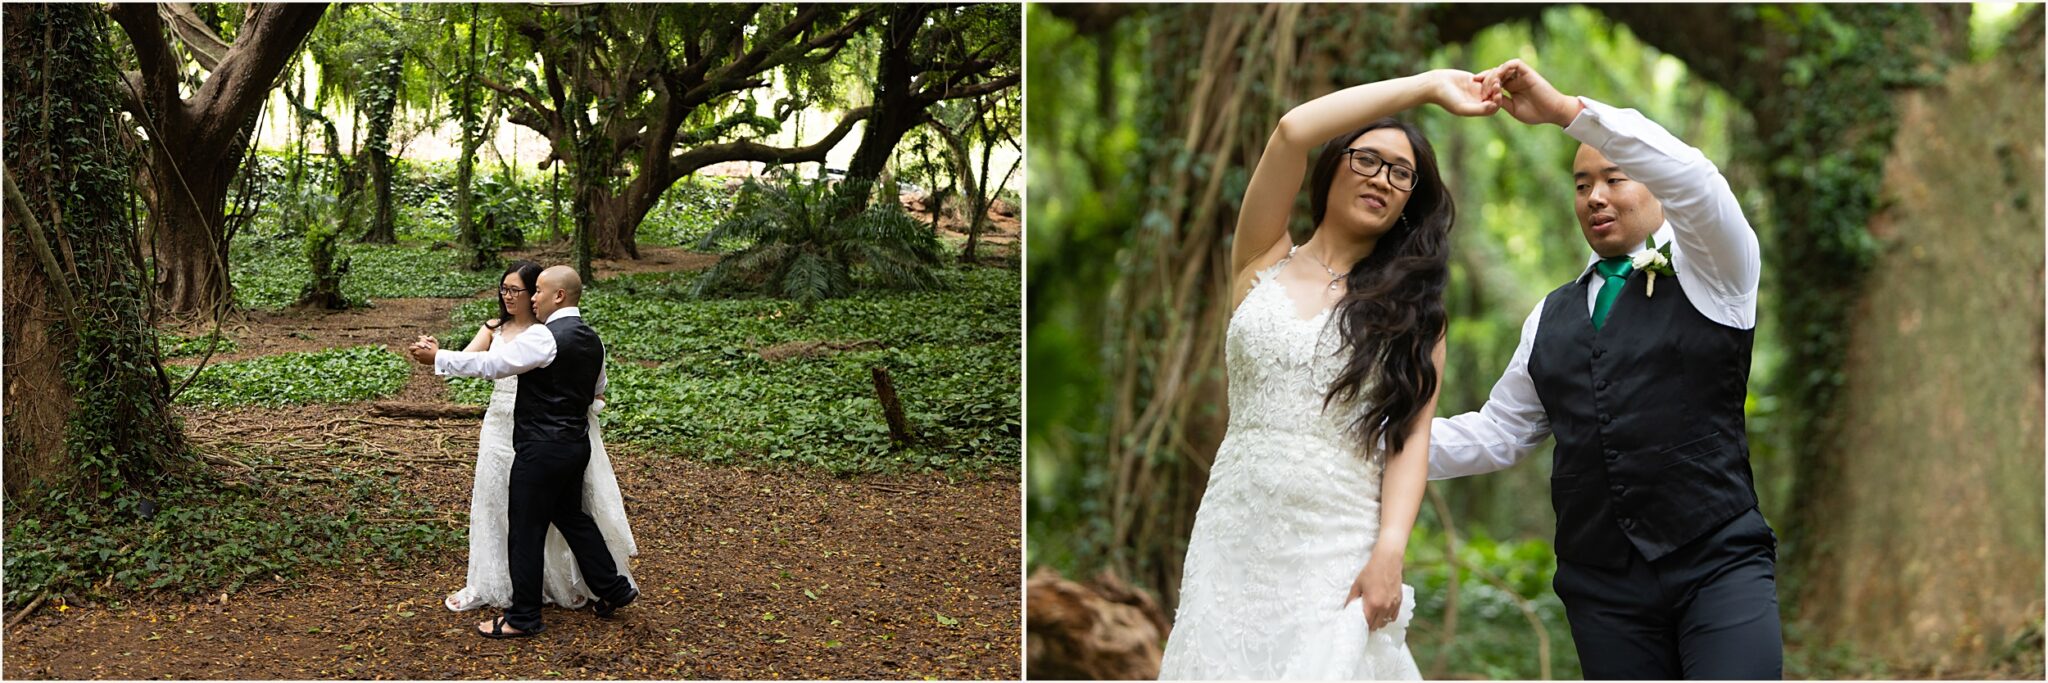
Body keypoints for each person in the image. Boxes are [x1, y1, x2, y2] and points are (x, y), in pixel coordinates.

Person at [1430, 59, 1781, 679]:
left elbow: (1696, 179)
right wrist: (1369, 445)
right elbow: (1499, 432)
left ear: (1651, 185)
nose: (1595, 196)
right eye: (1581, 184)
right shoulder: (1549, 316)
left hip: (1717, 564)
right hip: (1603, 588)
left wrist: (1567, 112)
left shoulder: (1718, 272)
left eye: (1614, 177)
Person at [1157, 69, 1495, 679]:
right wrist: (1428, 87)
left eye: (1402, 174)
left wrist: (1390, 547)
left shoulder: (1415, 313)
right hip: (1233, 530)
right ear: (1334, 165)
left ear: (1407, 205)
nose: (1383, 179)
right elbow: (1290, 131)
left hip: (1337, 541)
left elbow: (1411, 436)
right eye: (1368, 159)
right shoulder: (1261, 257)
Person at [409, 265, 639, 639]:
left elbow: (493, 365)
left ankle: (524, 617)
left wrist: (439, 357)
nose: (533, 298)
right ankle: (613, 589)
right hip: (574, 446)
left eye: (539, 292)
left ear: (559, 296)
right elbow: (597, 394)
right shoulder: (593, 340)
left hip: (540, 448)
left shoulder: (545, 338)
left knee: (526, 530)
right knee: (571, 517)